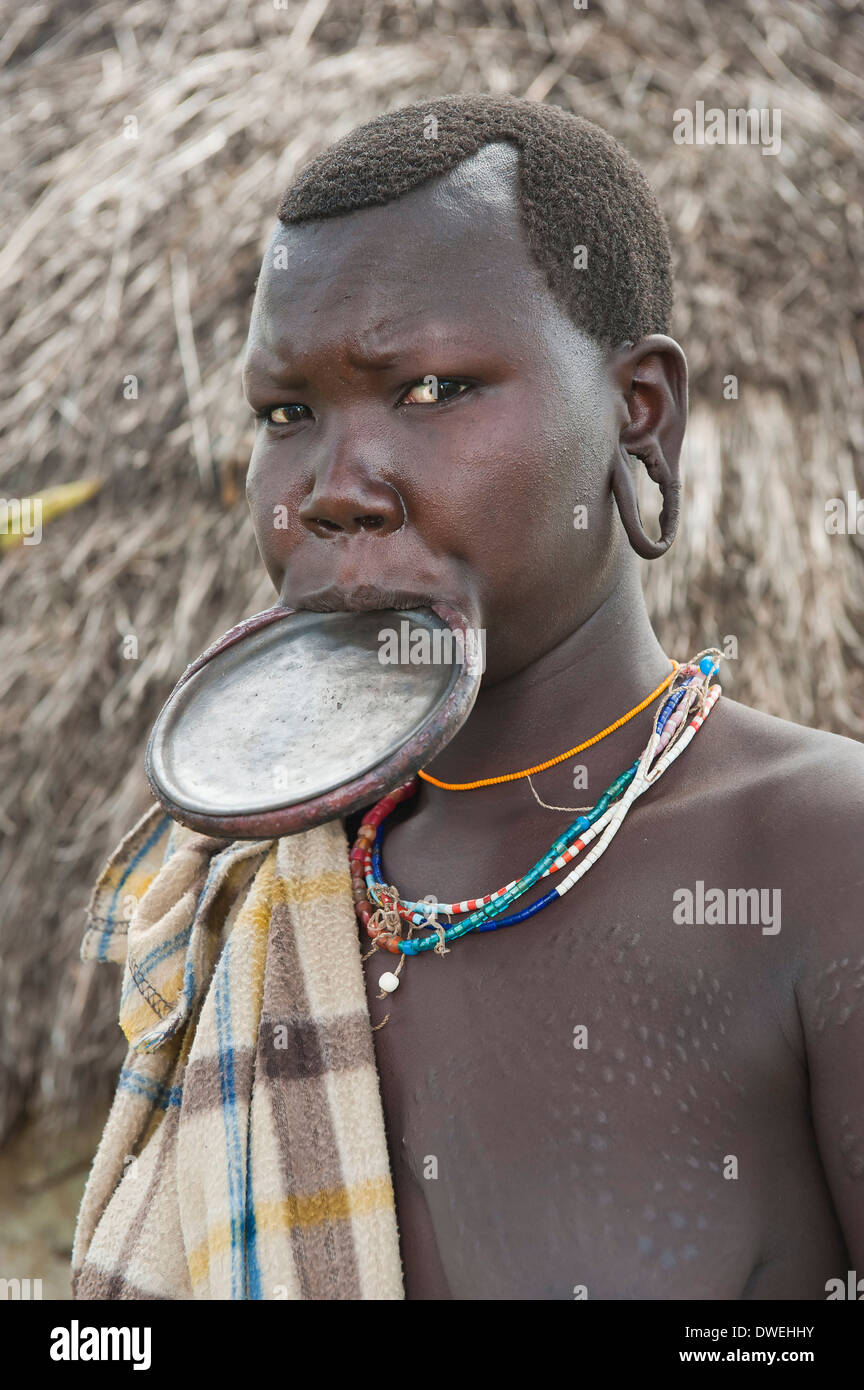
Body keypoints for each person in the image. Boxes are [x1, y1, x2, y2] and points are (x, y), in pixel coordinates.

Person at [74, 93, 864, 1300]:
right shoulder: (251, 899)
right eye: (287, 414)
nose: (335, 488)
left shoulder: (819, 860)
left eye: (430, 391)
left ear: (638, 412)